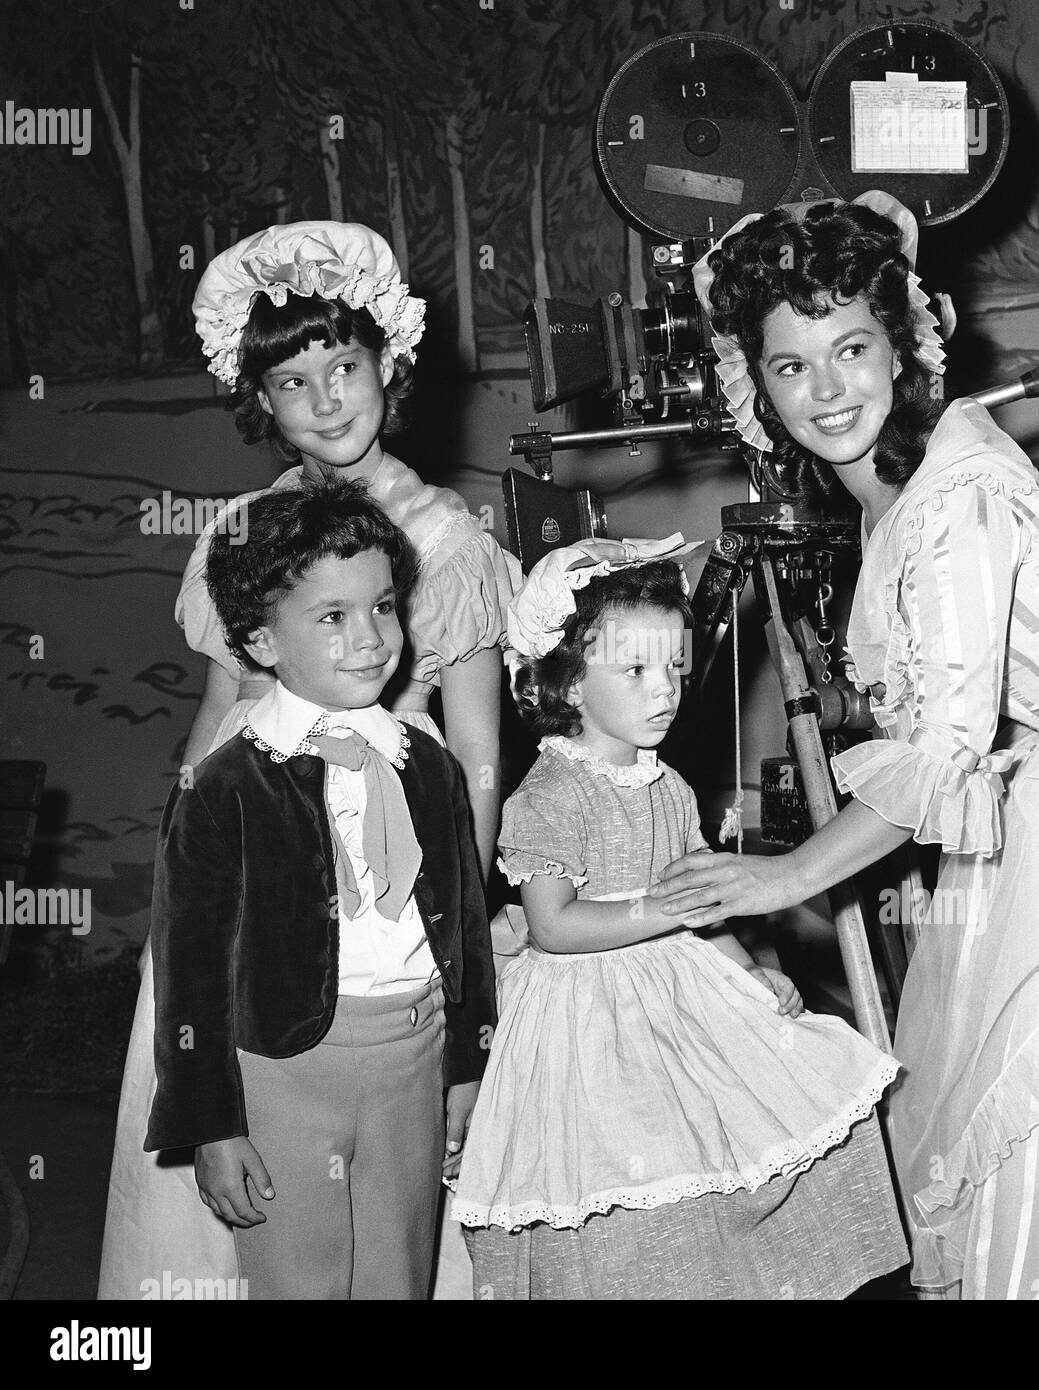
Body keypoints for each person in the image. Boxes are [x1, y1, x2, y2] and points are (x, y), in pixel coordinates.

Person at [651, 193, 1039, 1299]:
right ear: (755, 384)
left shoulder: (949, 500)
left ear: (905, 344)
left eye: (852, 349)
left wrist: (783, 874)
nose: (829, 388)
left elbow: (941, 748)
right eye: (792, 367)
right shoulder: (923, 472)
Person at [100, 222, 518, 1299]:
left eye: (346, 367)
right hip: (258, 883)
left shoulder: (448, 540)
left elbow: (473, 755)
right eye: (295, 382)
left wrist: (453, 921)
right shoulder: (244, 533)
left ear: (389, 366)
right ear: (263, 402)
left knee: (399, 1218)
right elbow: (217, 725)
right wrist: (184, 893)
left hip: (395, 910)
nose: (329, 401)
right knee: (256, 1216)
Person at [451, 538, 907, 1299]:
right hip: (585, 1016)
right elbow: (555, 927)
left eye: (673, 667)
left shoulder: (665, 783)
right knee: (614, 1180)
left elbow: (701, 899)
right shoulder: (550, 794)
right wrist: (653, 907)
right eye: (633, 671)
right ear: (566, 683)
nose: (662, 690)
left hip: (679, 993)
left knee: (719, 1166)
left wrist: (748, 970)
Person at [144, 475, 495, 1298]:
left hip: (413, 1058)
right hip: (286, 1072)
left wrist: (468, 1062)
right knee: (299, 1281)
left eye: (382, 607)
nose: (370, 638)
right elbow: (188, 965)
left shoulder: (427, 763)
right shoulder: (226, 785)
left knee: (397, 1275)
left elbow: (465, 927)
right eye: (331, 618)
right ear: (262, 643)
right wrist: (211, 1124)